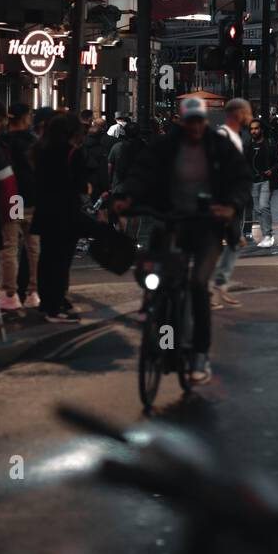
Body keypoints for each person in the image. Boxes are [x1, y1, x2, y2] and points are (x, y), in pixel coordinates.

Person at [115, 96, 251, 383]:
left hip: (207, 226)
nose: (195, 127)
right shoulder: (166, 146)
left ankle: (200, 354)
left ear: (204, 121)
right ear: (182, 121)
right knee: (161, 282)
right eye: (190, 122)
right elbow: (143, 172)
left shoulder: (218, 146)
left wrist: (230, 205)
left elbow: (240, 178)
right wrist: (126, 196)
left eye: (199, 122)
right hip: (172, 222)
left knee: (197, 285)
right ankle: (166, 342)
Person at [31, 112, 87, 323]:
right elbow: (79, 185)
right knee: (61, 262)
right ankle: (55, 307)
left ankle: (46, 303)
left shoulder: (41, 150)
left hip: (45, 212)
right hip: (65, 213)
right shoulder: (72, 153)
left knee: (46, 259)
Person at [0, 103, 41, 312]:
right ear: (26, 118)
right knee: (33, 246)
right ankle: (33, 292)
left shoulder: (4, 142)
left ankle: (10, 293)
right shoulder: (34, 142)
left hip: (14, 198)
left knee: (10, 245)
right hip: (33, 198)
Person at [213, 97, 252, 304]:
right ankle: (212, 287)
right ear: (237, 113)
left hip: (230, 203)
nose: (250, 116)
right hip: (221, 203)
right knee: (219, 244)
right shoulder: (223, 136)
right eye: (247, 112)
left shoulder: (236, 137)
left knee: (235, 242)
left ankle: (218, 285)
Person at [248, 117, 278, 248]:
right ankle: (266, 235)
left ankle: (268, 235)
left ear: (261, 129)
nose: (254, 131)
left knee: (263, 206)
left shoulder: (270, 144)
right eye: (252, 129)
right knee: (258, 209)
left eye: (256, 128)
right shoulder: (249, 146)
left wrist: (271, 171)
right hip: (254, 181)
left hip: (266, 180)